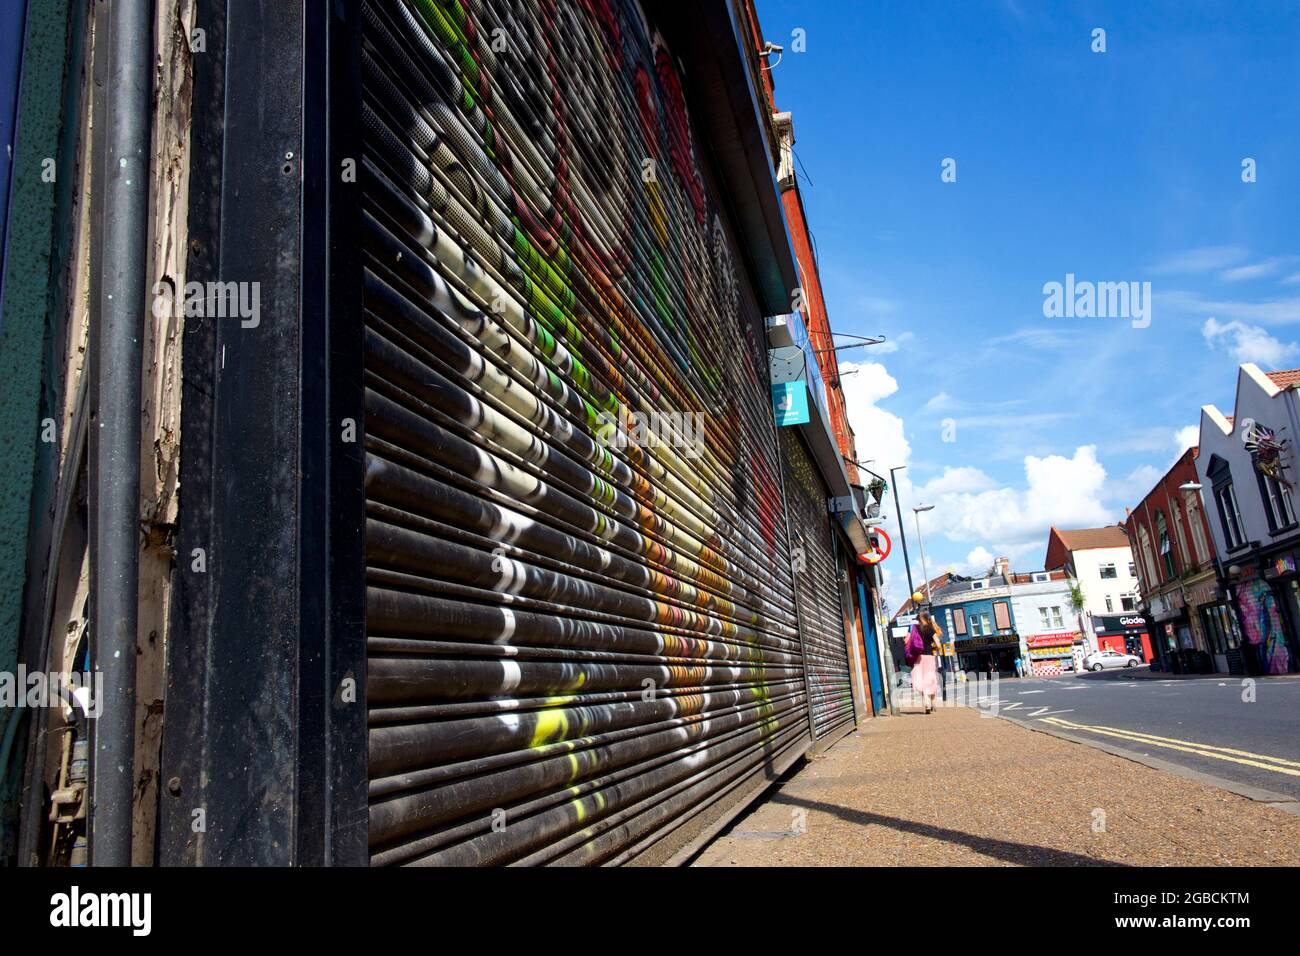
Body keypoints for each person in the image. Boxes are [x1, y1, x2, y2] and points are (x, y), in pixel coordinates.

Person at [911, 610, 943, 713]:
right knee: (930, 679)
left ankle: (927, 704)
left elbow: (907, 641)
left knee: (921, 679)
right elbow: (938, 645)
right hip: (929, 657)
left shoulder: (915, 629)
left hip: (918, 657)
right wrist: (935, 649)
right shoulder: (930, 629)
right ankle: (933, 703)